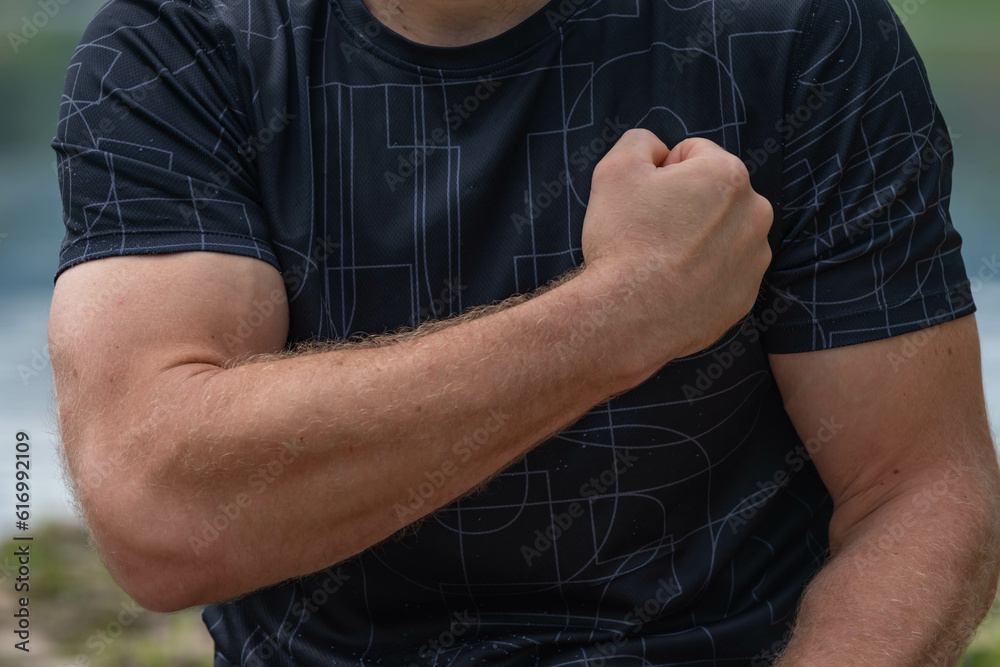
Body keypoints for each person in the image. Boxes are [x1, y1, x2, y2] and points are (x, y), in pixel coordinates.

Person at [47, 0, 1000, 664]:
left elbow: (919, 488)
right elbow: (160, 510)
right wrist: (623, 313)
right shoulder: (178, 46)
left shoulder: (793, 30)